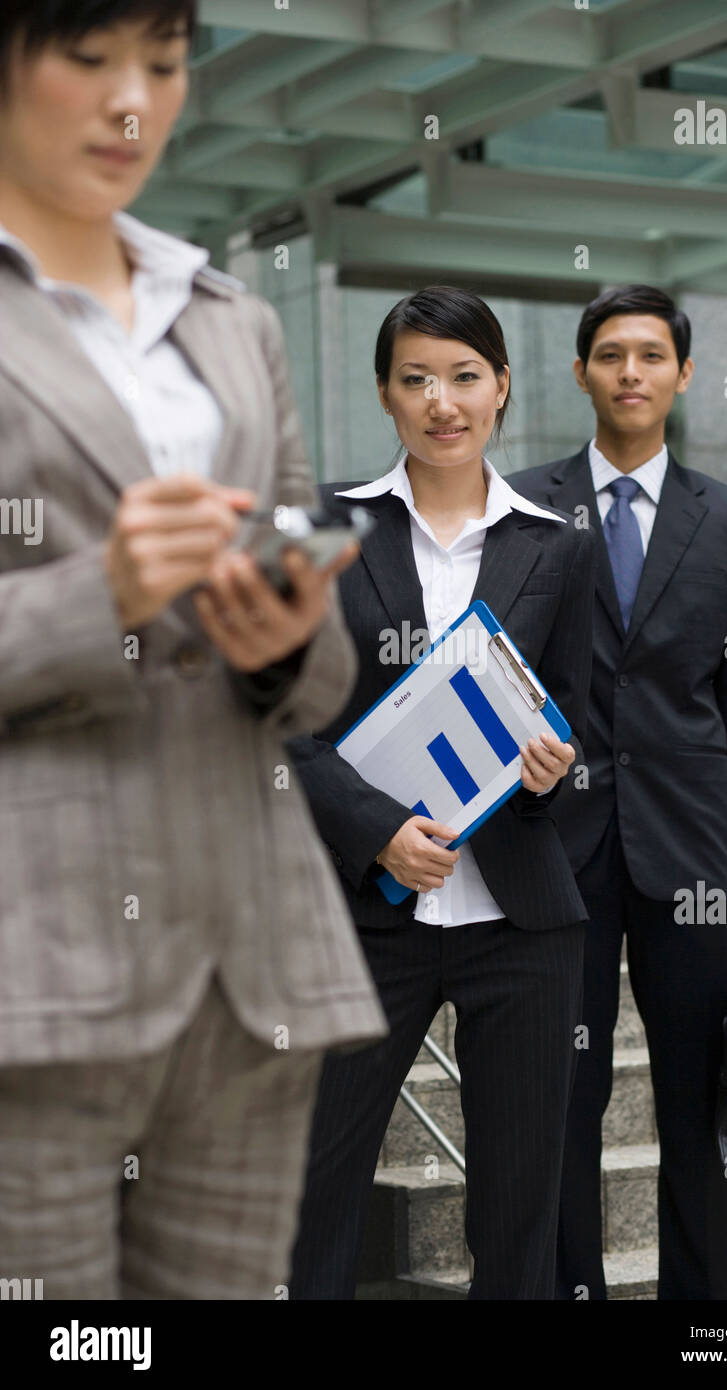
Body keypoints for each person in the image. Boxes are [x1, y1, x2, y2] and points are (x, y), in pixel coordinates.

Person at [0, 0, 386, 1300]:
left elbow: (320, 679)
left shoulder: (232, 321)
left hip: (250, 961)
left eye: (162, 67)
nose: (133, 105)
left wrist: (281, 644)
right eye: (91, 59)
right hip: (31, 962)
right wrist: (99, 592)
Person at [287, 285, 597, 1300]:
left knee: (518, 1206)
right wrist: (376, 833)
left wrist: (553, 771)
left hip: (522, 923)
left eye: (464, 376)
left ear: (501, 387)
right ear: (384, 393)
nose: (441, 400)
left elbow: (579, 722)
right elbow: (284, 724)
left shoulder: (557, 544)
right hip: (370, 918)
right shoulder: (330, 531)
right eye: (416, 378)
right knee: (315, 1182)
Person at [510, 284, 727, 1301]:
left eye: (650, 355)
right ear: (579, 370)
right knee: (563, 1103)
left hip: (695, 854)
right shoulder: (527, 508)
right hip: (556, 844)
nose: (630, 372)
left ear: (676, 373)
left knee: (696, 1106)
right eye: (610, 354)